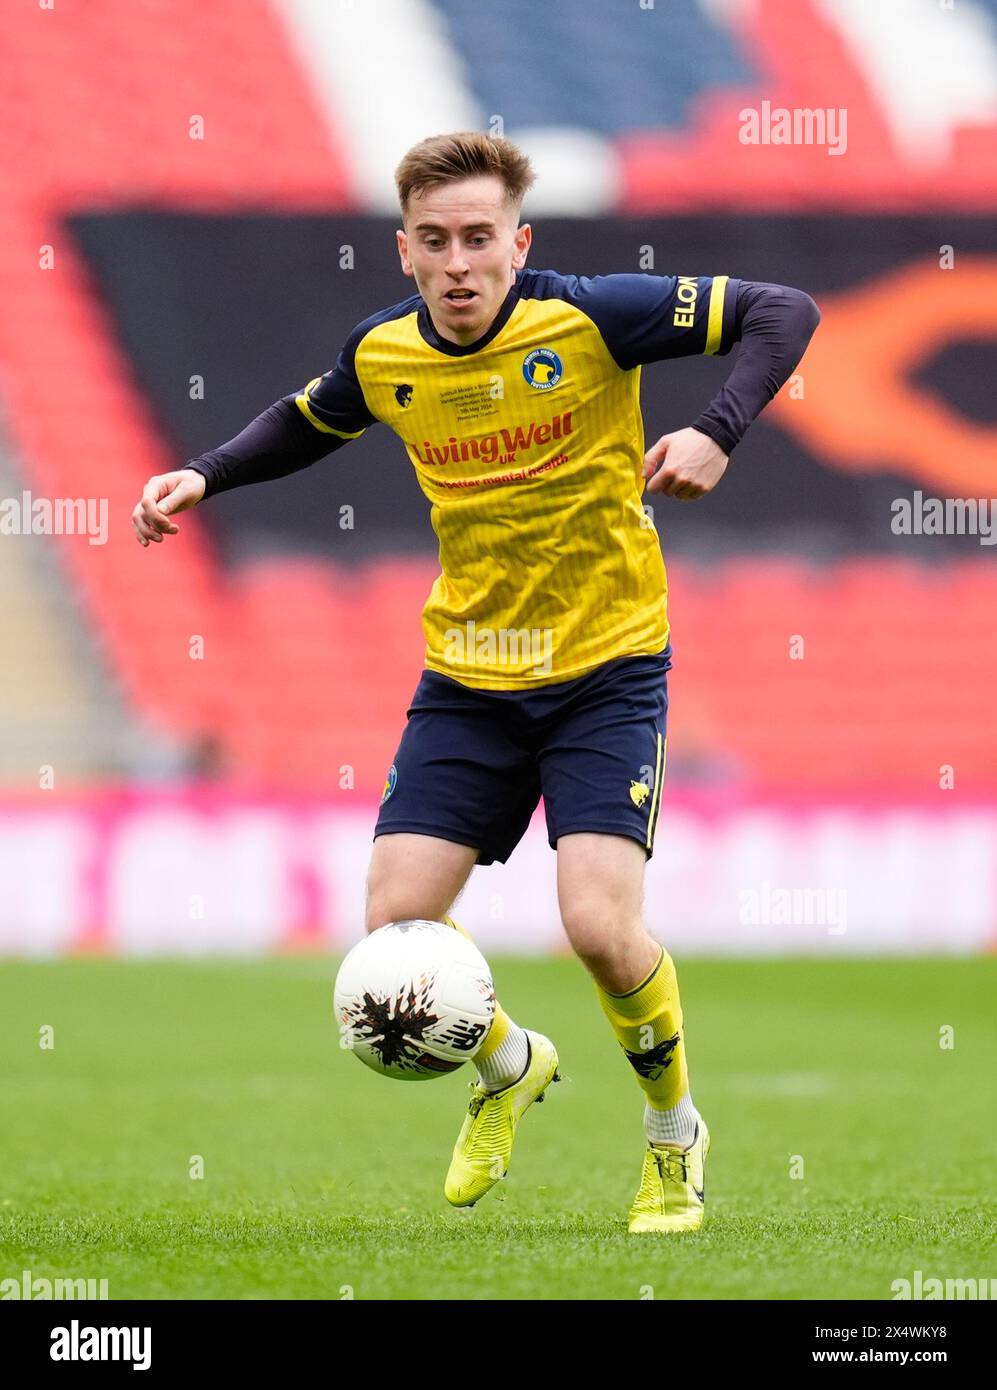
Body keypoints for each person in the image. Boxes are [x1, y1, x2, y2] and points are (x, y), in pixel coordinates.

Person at [132, 130, 820, 1233]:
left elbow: (784, 308)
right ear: (404, 251)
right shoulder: (387, 354)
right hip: (468, 675)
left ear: (519, 242)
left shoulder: (592, 315)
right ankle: (506, 1061)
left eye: (480, 239)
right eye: (436, 242)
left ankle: (671, 1137)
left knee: (597, 925)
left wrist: (715, 429)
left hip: (605, 667)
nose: (459, 263)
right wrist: (203, 475)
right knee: (391, 934)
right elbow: (309, 422)